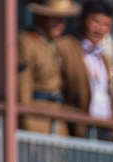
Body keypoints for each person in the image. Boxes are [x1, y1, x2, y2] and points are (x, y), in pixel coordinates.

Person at [17, 0, 92, 135]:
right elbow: (22, 92)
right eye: (55, 18)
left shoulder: (55, 44)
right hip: (36, 122)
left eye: (63, 19)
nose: (61, 24)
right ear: (40, 16)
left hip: (57, 120)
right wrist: (27, 129)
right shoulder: (26, 42)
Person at [77, 0, 113, 128]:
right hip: (80, 127)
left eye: (106, 25)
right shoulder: (68, 48)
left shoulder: (104, 57)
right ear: (83, 19)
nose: (100, 29)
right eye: (95, 22)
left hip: (105, 128)